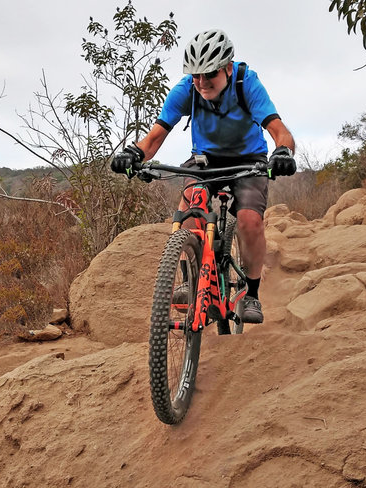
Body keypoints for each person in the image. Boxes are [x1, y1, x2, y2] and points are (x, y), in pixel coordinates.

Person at [110, 28, 296, 324]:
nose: (200, 82)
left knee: (249, 220)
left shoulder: (247, 83)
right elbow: (156, 136)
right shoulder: (187, 89)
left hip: (249, 160)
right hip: (205, 160)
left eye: (208, 74)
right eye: (195, 75)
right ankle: (188, 277)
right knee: (189, 209)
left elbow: (279, 132)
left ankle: (252, 294)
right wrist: (133, 154)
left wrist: (283, 153)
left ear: (227, 67)